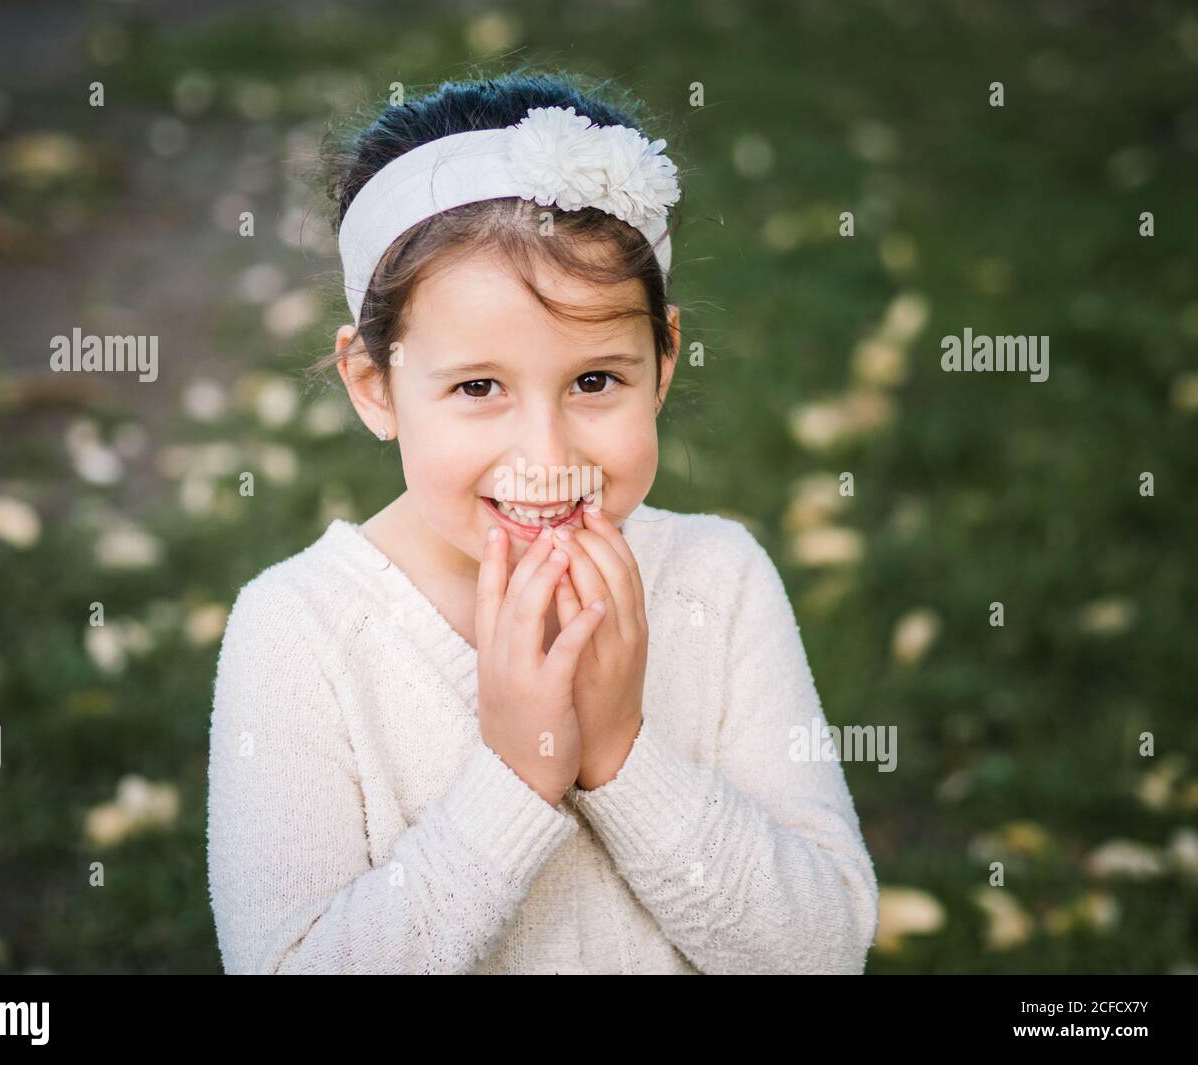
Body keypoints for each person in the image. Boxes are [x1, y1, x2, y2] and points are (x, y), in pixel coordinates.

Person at [206, 70, 878, 974]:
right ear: (375, 385)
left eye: (595, 380)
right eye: (478, 387)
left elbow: (821, 949)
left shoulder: (719, 580)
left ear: (663, 360)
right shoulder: (300, 633)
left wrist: (620, 753)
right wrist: (517, 780)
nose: (545, 448)